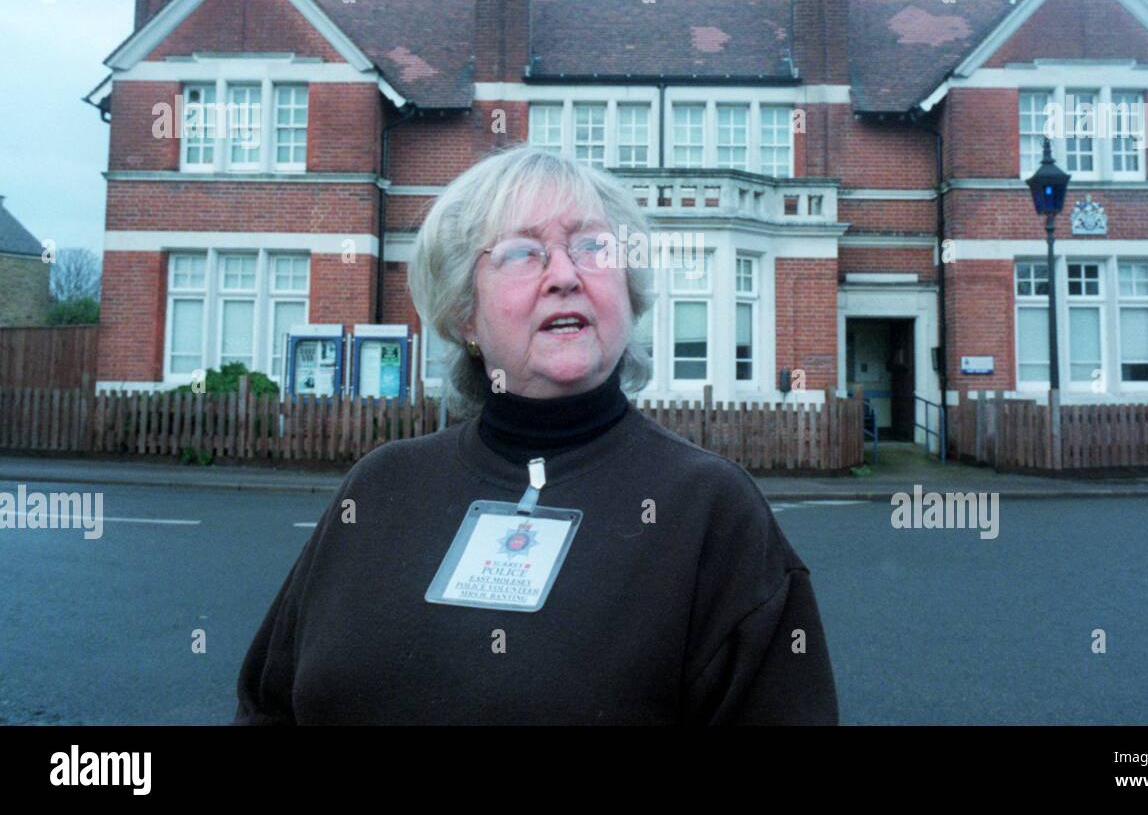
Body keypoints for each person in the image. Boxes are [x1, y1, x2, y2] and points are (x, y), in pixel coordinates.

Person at [232, 144, 839, 725]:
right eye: (523, 253)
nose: (565, 275)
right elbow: (268, 705)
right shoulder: (379, 485)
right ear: (464, 315)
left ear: (628, 294)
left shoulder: (711, 509)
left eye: (592, 247)